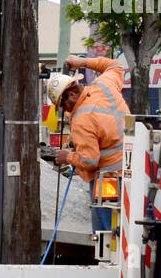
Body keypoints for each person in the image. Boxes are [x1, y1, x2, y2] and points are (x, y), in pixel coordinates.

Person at [48, 55, 130, 189]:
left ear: (72, 96)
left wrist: (68, 157)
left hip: (107, 180)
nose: (64, 110)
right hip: (134, 170)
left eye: (62, 105)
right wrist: (83, 62)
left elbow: (89, 160)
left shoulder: (81, 120)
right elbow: (115, 67)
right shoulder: (104, 85)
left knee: (105, 209)